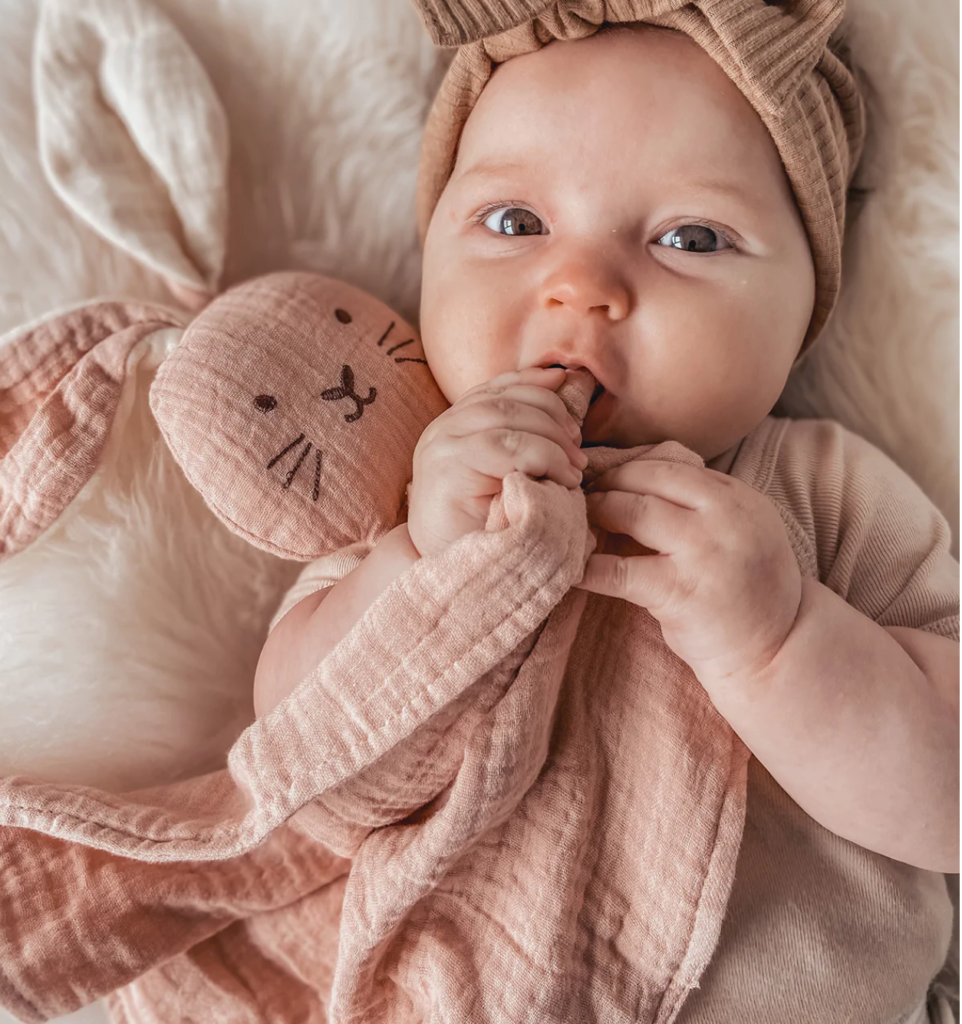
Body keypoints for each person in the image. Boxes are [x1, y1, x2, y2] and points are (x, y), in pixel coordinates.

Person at [254, 9, 959, 1021]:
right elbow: (302, 774)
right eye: (512, 223)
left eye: (688, 237)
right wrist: (422, 569)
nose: (579, 287)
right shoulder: (408, 505)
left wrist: (783, 641)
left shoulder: (825, 491)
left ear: (803, 307)